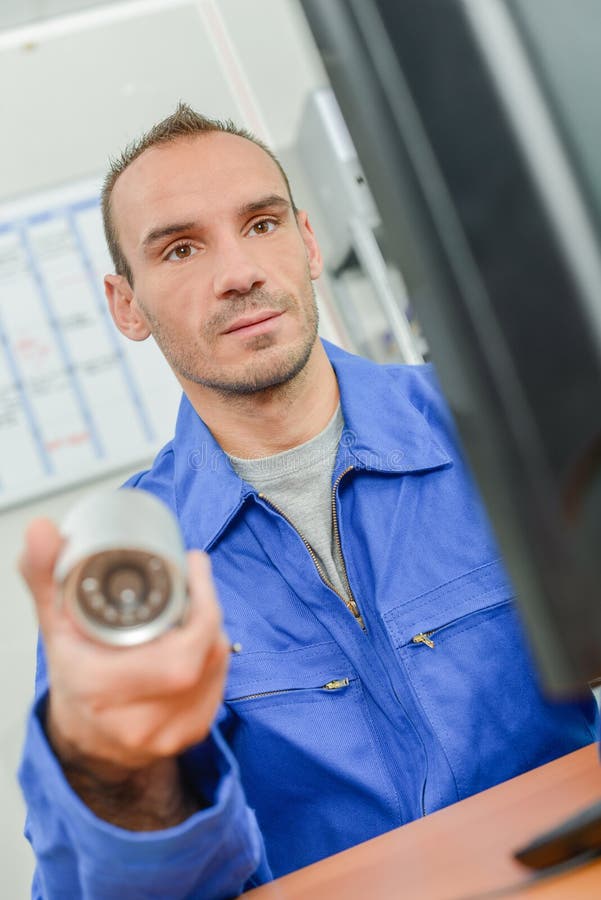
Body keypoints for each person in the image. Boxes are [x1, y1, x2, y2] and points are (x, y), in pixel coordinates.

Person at [19, 104, 598, 899]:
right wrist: (119, 778)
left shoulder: (496, 428)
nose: (238, 272)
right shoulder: (128, 569)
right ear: (127, 306)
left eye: (260, 225)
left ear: (308, 243)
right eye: (181, 248)